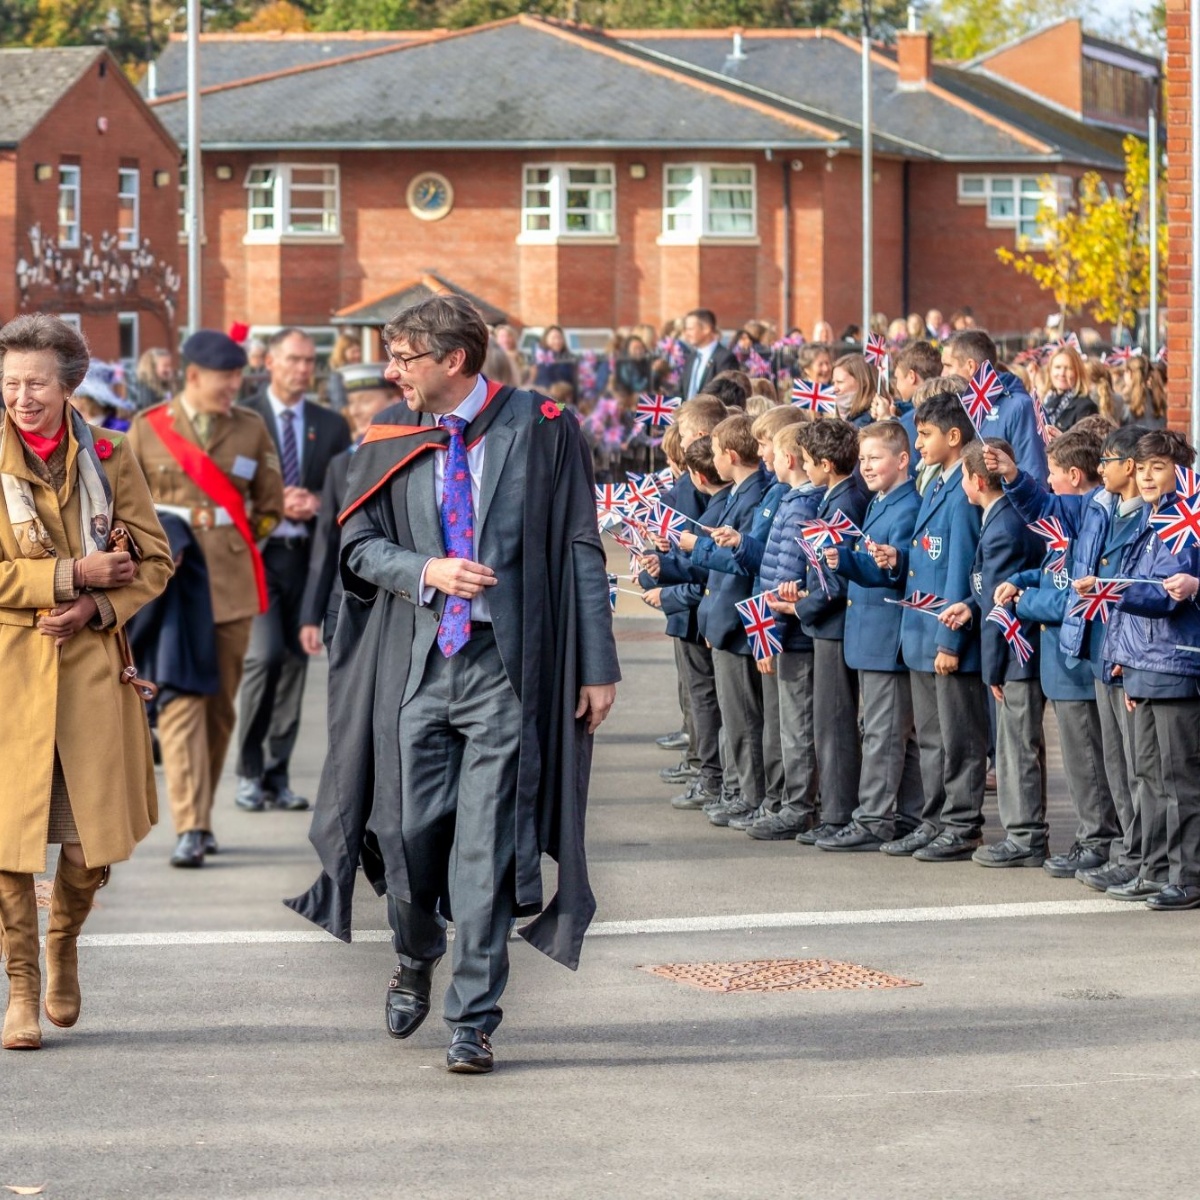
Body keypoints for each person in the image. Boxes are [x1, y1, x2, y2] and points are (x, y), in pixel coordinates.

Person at [285, 295, 618, 1073]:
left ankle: (474, 1017)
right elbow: (357, 548)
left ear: (454, 361)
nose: (390, 371)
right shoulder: (388, 436)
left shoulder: (541, 426)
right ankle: (415, 949)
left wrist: (598, 664)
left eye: (403, 357)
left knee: (486, 846)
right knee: (405, 832)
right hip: (415, 668)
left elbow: (580, 545)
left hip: (508, 671)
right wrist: (424, 570)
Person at [0, 313, 173, 1050]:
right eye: (9, 382)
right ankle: (21, 987)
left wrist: (98, 604)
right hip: (11, 675)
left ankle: (63, 940)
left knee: (89, 844)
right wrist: (71, 573)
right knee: (7, 843)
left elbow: (157, 561)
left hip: (95, 677)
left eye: (36, 382)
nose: (21, 397)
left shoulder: (110, 451)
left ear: (71, 385)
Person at [126, 331, 285, 868]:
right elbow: (123, 509)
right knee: (180, 700)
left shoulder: (250, 428)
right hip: (172, 588)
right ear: (194, 376)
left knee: (219, 710)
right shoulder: (146, 432)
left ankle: (202, 816)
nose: (235, 386)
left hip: (230, 588)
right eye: (226, 377)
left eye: (239, 376)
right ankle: (190, 825)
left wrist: (237, 538)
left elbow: (269, 504)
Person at [996, 424, 1148, 894]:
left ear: (1130, 467)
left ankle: (1130, 850)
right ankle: (1127, 850)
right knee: (1117, 763)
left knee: (1131, 766)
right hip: (1100, 650)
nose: (1102, 469)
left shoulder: (1147, 515)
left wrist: (1024, 601)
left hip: (1123, 651)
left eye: (1109, 461)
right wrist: (1014, 476)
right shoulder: (1098, 506)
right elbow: (1045, 511)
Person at [237, 329, 351, 813]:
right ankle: (248, 771)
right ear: (270, 362)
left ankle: (277, 773)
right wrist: (268, 503)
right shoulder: (242, 417)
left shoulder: (330, 425)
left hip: (306, 559)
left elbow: (348, 492)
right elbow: (222, 487)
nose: (303, 369)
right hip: (256, 557)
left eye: (310, 361)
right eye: (294, 359)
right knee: (263, 658)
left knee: (294, 665)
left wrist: (320, 502)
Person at [872, 382, 987, 861]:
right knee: (934, 737)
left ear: (955, 436)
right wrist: (896, 558)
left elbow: (961, 566)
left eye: (924, 434)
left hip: (944, 633)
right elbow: (926, 558)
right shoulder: (937, 481)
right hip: (919, 631)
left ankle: (961, 824)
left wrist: (949, 640)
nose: (916, 444)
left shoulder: (961, 491)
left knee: (956, 738)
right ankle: (934, 818)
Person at [1103, 430, 1200, 909]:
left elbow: (1165, 594)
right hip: (1143, 663)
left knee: (1179, 779)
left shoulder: (1184, 523)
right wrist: (1124, 663)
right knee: (1147, 773)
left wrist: (1110, 589)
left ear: (1180, 473)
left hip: (1176, 663)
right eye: (1140, 467)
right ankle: (1156, 867)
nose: (1145, 475)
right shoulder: (1146, 520)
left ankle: (1188, 876)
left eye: (1157, 467)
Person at [940, 439, 1047, 866]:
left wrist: (992, 672)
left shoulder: (1003, 524)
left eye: (964, 478)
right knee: (1014, 745)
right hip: (1012, 652)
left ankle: (1025, 837)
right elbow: (985, 593)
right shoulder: (998, 516)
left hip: (1015, 654)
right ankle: (1024, 832)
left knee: (1016, 748)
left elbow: (999, 610)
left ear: (977, 481)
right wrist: (968, 602)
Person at [828, 422, 925, 849]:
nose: (866, 467)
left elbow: (890, 570)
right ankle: (906, 814)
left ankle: (873, 819)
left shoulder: (906, 506)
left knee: (884, 733)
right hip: (869, 635)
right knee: (889, 731)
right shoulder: (880, 501)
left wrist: (843, 560)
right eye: (862, 459)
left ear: (902, 460)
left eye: (875, 458)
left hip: (886, 636)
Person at [300, 365, 400, 655]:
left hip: (395, 602)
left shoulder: (418, 455)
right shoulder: (341, 464)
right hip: (343, 601)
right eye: (352, 402)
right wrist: (310, 615)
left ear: (394, 400)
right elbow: (326, 542)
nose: (356, 411)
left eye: (366, 400)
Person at [940, 330, 1048, 482]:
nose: (943, 373)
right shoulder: (958, 405)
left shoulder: (1019, 407)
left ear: (971, 366)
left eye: (948, 365)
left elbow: (1035, 477)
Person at [681, 309, 738, 400]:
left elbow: (726, 394)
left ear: (706, 329)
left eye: (690, 329)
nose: (686, 333)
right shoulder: (691, 357)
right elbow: (682, 391)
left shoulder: (724, 358)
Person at [1040, 345, 1098, 432]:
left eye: (1068, 368)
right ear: (1050, 370)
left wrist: (1060, 438)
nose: (1062, 373)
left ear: (1077, 372)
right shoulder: (1045, 401)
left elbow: (1085, 444)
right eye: (1058, 367)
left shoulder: (1086, 407)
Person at [70, 362, 135, 432]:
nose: (68, 399)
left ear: (84, 400)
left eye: (73, 395)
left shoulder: (121, 428)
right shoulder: (77, 428)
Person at [324, 332, 364, 413]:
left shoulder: (358, 373)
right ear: (342, 353)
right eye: (353, 352)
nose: (358, 355)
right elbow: (341, 405)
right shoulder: (337, 376)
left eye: (359, 351)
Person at [533, 325, 578, 391]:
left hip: (565, 398)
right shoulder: (539, 358)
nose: (557, 341)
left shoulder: (569, 358)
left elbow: (574, 382)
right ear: (546, 339)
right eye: (553, 338)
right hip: (545, 397)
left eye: (559, 338)